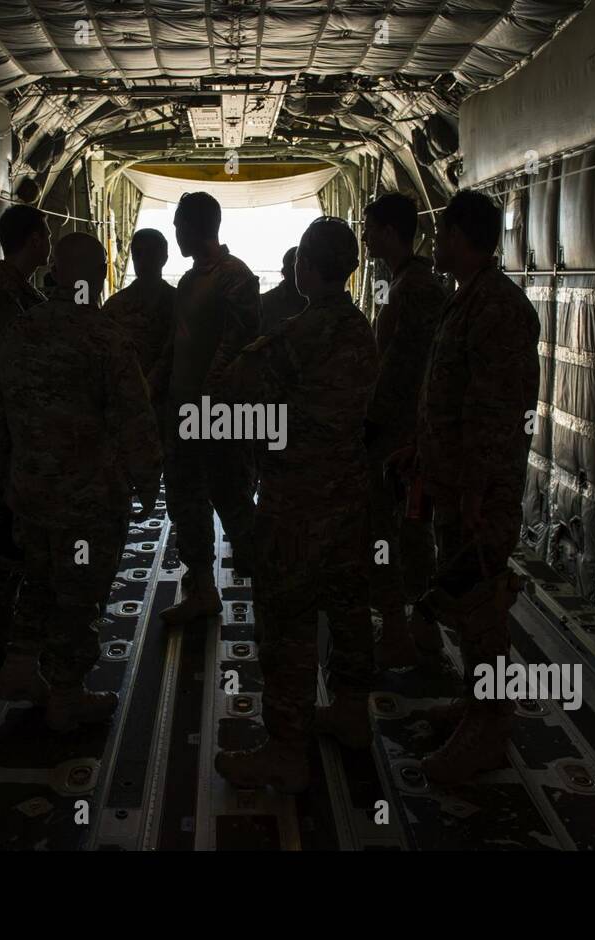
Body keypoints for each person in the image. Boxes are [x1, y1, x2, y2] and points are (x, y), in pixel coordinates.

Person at [213, 217, 379, 793]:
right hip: (349, 493)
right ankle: (353, 711)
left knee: (286, 621)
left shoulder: (296, 335)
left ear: (306, 267)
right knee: (350, 607)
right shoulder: (361, 329)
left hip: (296, 503)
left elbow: (235, 389)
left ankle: (286, 748)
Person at [0, 233, 163, 729]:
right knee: (79, 592)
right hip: (88, 499)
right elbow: (134, 418)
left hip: (29, 491)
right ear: (99, 275)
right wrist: (147, 483)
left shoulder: (19, 330)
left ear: (54, 273)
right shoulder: (104, 337)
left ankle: (19, 666)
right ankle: (66, 693)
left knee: (37, 576)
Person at [410, 190, 540, 785]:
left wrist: (474, 491)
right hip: (456, 483)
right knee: (467, 602)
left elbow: (494, 412)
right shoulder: (467, 300)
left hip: (478, 489)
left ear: (462, 236)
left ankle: (489, 729)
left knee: (483, 606)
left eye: (442, 233)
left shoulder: (498, 308)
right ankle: (475, 703)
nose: (434, 243)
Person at [153, 192, 260, 625]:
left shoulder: (236, 277)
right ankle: (201, 588)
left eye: (179, 226)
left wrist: (204, 405)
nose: (175, 234)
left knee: (233, 501)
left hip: (216, 417)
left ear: (197, 227)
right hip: (185, 415)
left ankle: (269, 583)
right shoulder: (190, 280)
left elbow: (237, 345)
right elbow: (178, 344)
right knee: (187, 504)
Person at [360, 193, 448, 672]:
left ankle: (396, 627)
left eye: (371, 228)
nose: (367, 237)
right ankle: (422, 624)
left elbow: (401, 368)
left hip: (397, 434)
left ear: (390, 232)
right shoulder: (407, 283)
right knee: (413, 528)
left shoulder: (411, 288)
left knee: (387, 529)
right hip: (411, 432)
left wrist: (371, 424)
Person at [0, 204, 50, 661]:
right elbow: (11, 371)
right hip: (8, 432)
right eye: (47, 235)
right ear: (35, 240)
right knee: (5, 530)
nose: (51, 244)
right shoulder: (2, 297)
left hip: (24, 430)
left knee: (22, 529)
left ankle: (13, 629)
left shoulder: (21, 293)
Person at [101, 228, 176, 394]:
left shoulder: (179, 302)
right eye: (138, 253)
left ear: (164, 257)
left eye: (150, 253)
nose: (143, 260)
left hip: (169, 397)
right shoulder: (115, 306)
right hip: (127, 396)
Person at [257, 247, 306, 335]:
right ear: (284, 272)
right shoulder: (265, 303)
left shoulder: (265, 301)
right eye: (295, 267)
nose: (299, 273)